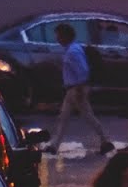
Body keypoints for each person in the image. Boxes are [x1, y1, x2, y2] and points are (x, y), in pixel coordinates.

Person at [47, 22, 115, 155]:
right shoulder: (73, 49)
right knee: (64, 117)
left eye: (59, 36)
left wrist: (79, 88)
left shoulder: (73, 51)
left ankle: (105, 141)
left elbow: (83, 71)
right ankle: (54, 145)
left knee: (86, 116)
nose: (57, 39)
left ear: (65, 36)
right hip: (73, 89)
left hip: (76, 89)